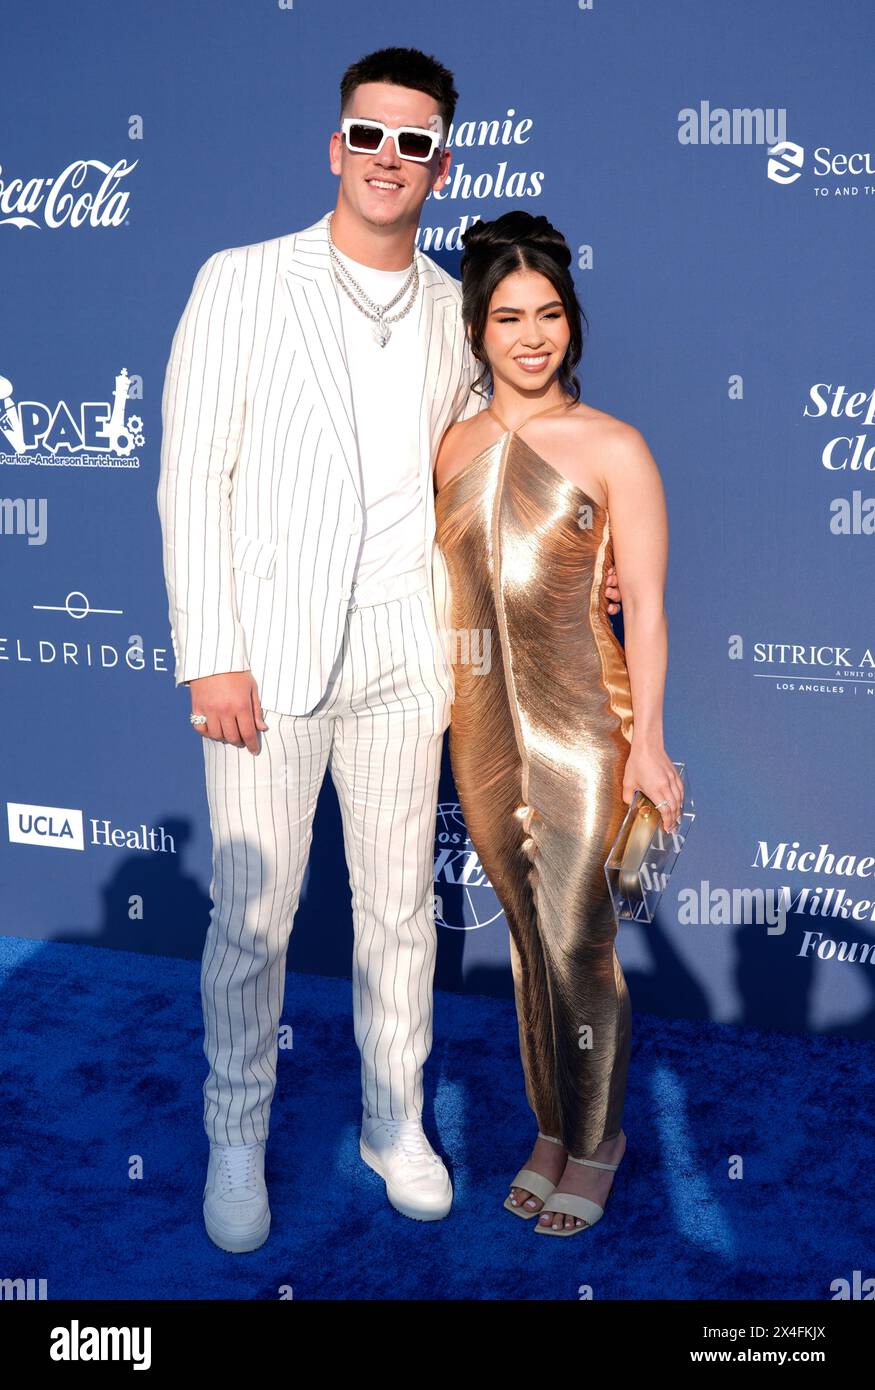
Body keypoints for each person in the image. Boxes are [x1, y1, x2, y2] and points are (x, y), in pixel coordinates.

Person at [157, 48, 622, 1253]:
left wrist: (598, 538)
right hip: (265, 657)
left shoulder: (448, 315)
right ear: (336, 144)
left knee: (398, 916)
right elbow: (189, 477)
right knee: (254, 917)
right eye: (369, 135)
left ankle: (391, 1121)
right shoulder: (240, 281)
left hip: (408, 660)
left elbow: (517, 436)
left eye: (414, 143)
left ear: (441, 162)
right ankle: (234, 1137)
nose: (388, 159)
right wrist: (212, 651)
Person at [433, 210, 681, 1236]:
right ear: (476, 329)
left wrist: (650, 741)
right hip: (478, 723)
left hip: (585, 721)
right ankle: (550, 1125)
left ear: (570, 324)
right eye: (505, 317)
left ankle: (599, 1140)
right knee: (528, 942)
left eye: (546, 315)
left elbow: (652, 608)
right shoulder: (447, 444)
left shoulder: (612, 445)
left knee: (579, 937)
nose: (529, 336)